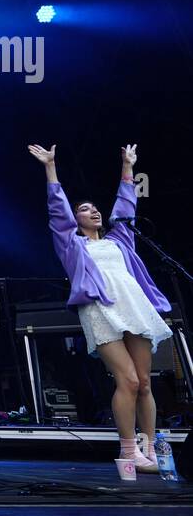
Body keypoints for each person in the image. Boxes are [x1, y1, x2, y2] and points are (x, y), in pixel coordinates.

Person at [29, 143, 172, 471]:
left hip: (132, 305)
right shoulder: (71, 245)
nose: (93, 212)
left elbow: (126, 206)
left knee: (145, 382)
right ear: (76, 220)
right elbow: (58, 213)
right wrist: (50, 168)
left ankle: (149, 448)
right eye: (85, 210)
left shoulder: (119, 240)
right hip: (98, 308)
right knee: (129, 381)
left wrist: (128, 166)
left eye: (95, 208)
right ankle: (127, 451)